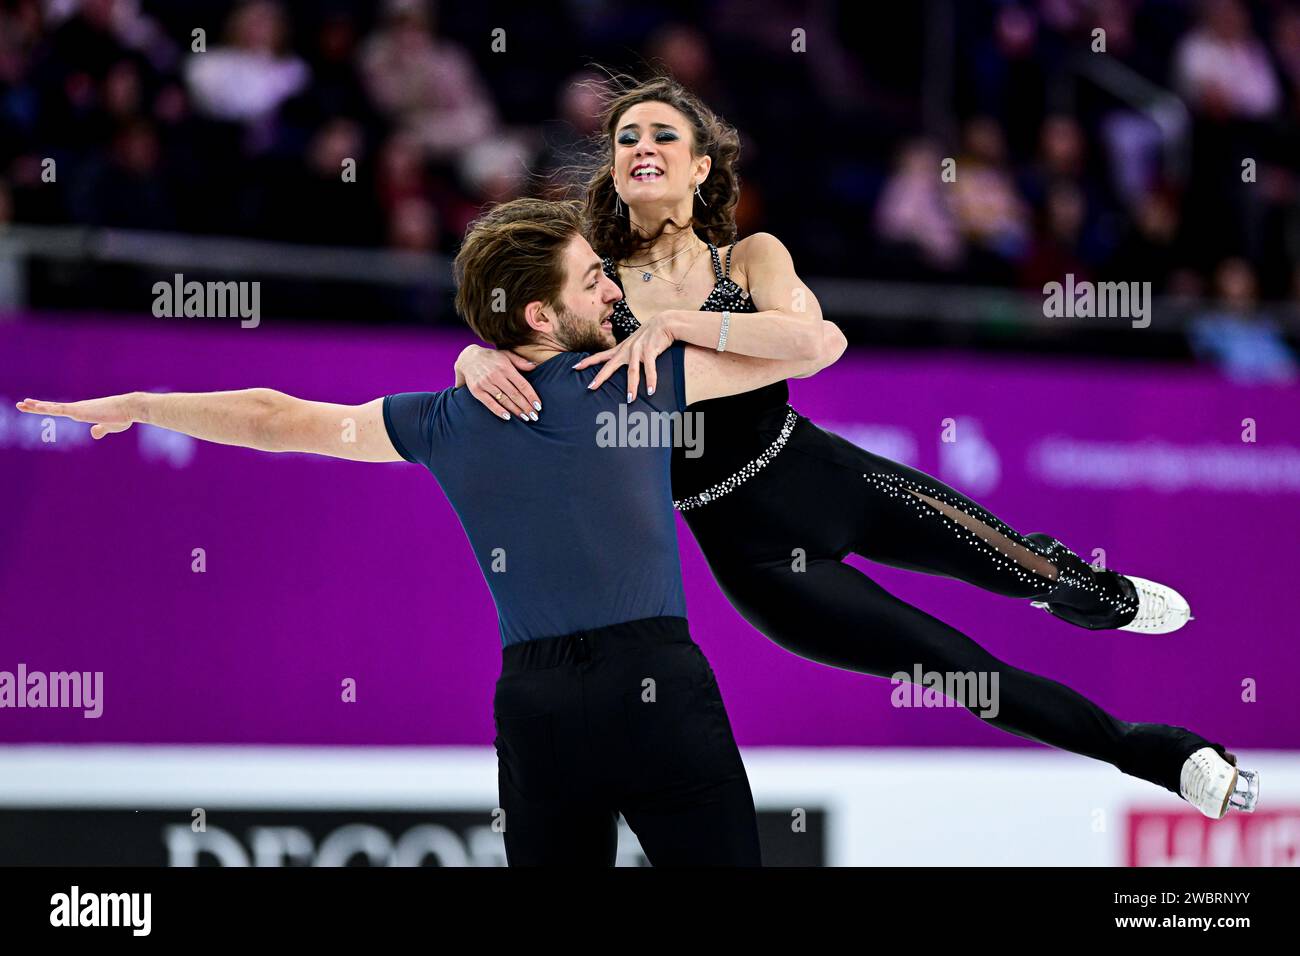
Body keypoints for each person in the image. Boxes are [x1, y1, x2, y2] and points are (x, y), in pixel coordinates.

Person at [452, 75, 1259, 820]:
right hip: (753, 561)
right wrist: (475, 354)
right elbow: (509, 315)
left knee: (1030, 566)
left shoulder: (750, 257)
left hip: (831, 478)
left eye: (663, 135)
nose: (642, 149)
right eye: (627, 138)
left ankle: (1087, 591)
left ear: (701, 168)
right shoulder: (592, 287)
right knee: (962, 673)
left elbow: (818, 340)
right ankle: (1158, 755)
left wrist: (677, 322)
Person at [14, 197, 848, 865]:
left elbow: (279, 418)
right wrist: (690, 327)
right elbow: (814, 349)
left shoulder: (447, 423)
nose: (616, 291)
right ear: (542, 314)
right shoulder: (639, 378)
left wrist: (139, 404)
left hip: (536, 704)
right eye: (594, 280)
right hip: (655, 686)